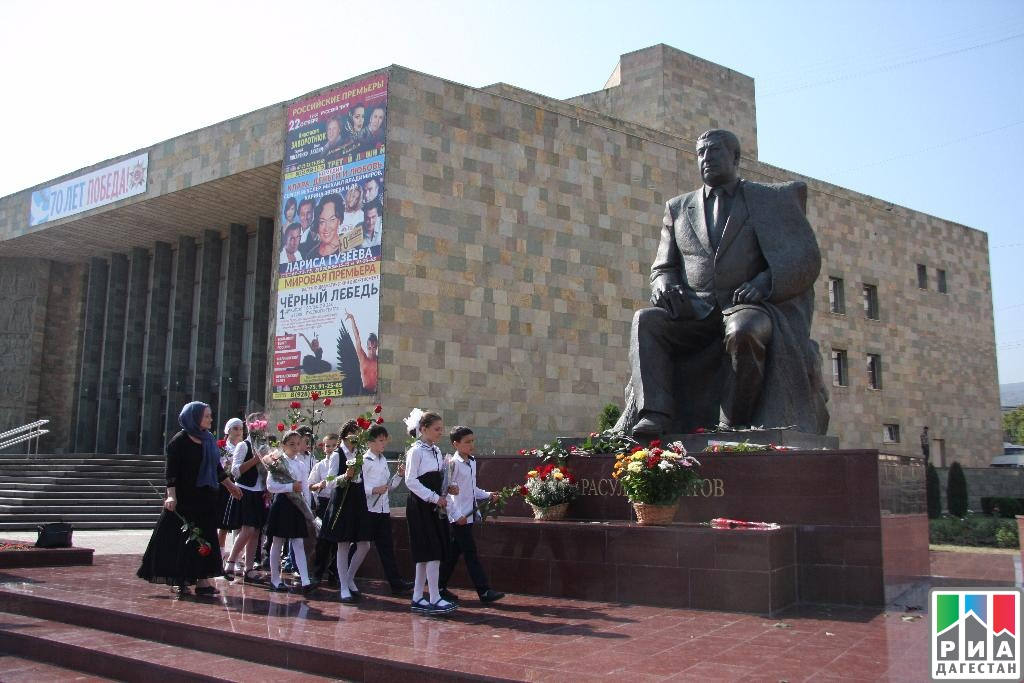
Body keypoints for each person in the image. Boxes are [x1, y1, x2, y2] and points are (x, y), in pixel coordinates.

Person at [625, 129, 828, 438]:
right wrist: (664, 286)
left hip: (747, 305)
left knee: (744, 331)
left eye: (714, 151)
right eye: (701, 153)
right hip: (696, 311)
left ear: (735, 158)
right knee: (646, 321)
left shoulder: (768, 200)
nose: (706, 159)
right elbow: (662, 268)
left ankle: (732, 421)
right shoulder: (678, 208)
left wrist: (764, 282)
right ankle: (655, 413)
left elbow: (803, 257)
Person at [137, 402, 241, 595]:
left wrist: (230, 485)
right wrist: (171, 496)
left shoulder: (208, 439)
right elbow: (172, 472)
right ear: (194, 418)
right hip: (185, 499)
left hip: (206, 498)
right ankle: (180, 580)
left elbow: (216, 468)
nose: (211, 419)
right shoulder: (180, 441)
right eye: (206, 416)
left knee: (206, 537)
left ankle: (202, 581)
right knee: (183, 538)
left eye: (210, 415)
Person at [439, 426, 504, 604]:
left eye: (472, 441)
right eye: (467, 442)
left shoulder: (472, 461)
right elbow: (448, 493)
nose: (471, 445)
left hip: (468, 516)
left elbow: (472, 488)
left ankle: (439, 586)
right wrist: (456, 514)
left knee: (452, 555)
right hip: (458, 518)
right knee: (471, 554)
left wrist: (488, 494)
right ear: (455, 444)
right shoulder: (453, 463)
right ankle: (483, 591)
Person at [404, 411, 457, 615]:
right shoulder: (415, 451)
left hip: (435, 505)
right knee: (431, 550)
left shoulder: (435, 451)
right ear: (423, 429)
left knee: (427, 553)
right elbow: (411, 481)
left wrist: (447, 488)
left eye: (441, 429)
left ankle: (418, 596)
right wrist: (434, 497)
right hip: (421, 505)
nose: (440, 433)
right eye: (436, 429)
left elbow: (437, 478)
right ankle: (434, 596)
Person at [317, 422, 373, 604]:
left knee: (364, 544)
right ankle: (343, 586)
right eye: (352, 436)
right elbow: (330, 480)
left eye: (358, 436)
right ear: (345, 436)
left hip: (357, 500)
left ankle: (349, 578)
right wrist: (345, 476)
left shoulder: (358, 453)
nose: (355, 440)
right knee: (343, 543)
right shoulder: (336, 455)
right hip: (342, 501)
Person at [360, 423, 414, 595]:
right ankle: (338, 574)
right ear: (370, 442)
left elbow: (388, 487)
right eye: (380, 440)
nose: (384, 444)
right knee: (359, 546)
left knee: (387, 548)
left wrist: (398, 475)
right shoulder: (364, 461)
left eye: (385, 440)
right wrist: (373, 490)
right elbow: (357, 487)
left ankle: (396, 583)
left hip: (383, 510)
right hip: (368, 511)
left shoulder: (382, 460)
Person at [264, 430, 316, 594]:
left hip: (296, 505)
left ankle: (306, 580)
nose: (295, 447)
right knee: (278, 541)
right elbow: (271, 486)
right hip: (283, 503)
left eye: (297, 444)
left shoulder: (300, 464)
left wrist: (307, 507)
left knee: (298, 542)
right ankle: (275, 579)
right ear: (283, 446)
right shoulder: (278, 463)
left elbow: (305, 487)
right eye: (291, 444)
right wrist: (290, 487)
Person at [224, 412, 269, 583]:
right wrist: (256, 459)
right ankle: (231, 562)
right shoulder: (244, 446)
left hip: (259, 492)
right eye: (259, 426)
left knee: (256, 531)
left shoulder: (265, 447)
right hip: (245, 491)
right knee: (248, 529)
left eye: (264, 426)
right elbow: (235, 471)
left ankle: (249, 568)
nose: (262, 430)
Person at [308, 432, 340, 585]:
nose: (331, 448)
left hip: (337, 501)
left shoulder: (342, 463)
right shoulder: (319, 465)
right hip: (324, 501)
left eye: (334, 445)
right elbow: (310, 485)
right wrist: (318, 485)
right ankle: (318, 572)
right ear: (324, 447)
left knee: (337, 540)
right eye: (328, 446)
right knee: (323, 539)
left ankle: (334, 572)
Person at [216, 417, 245, 562]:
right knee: (223, 524)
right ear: (228, 431)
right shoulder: (222, 448)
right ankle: (220, 553)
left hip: (239, 485)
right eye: (235, 428)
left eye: (241, 429)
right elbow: (218, 467)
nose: (239, 432)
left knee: (239, 524)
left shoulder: (244, 447)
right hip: (225, 486)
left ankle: (236, 556)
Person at [343, 309, 377, 392]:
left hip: (377, 392)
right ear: (366, 347)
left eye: (373, 348)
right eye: (369, 348)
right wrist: (352, 319)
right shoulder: (363, 358)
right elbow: (357, 338)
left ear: (376, 347)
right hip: (364, 391)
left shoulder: (379, 361)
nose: (371, 351)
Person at [301, 193, 344, 259]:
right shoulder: (311, 256)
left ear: (339, 220)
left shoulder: (349, 247)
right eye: (322, 221)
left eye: (332, 220)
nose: (326, 228)